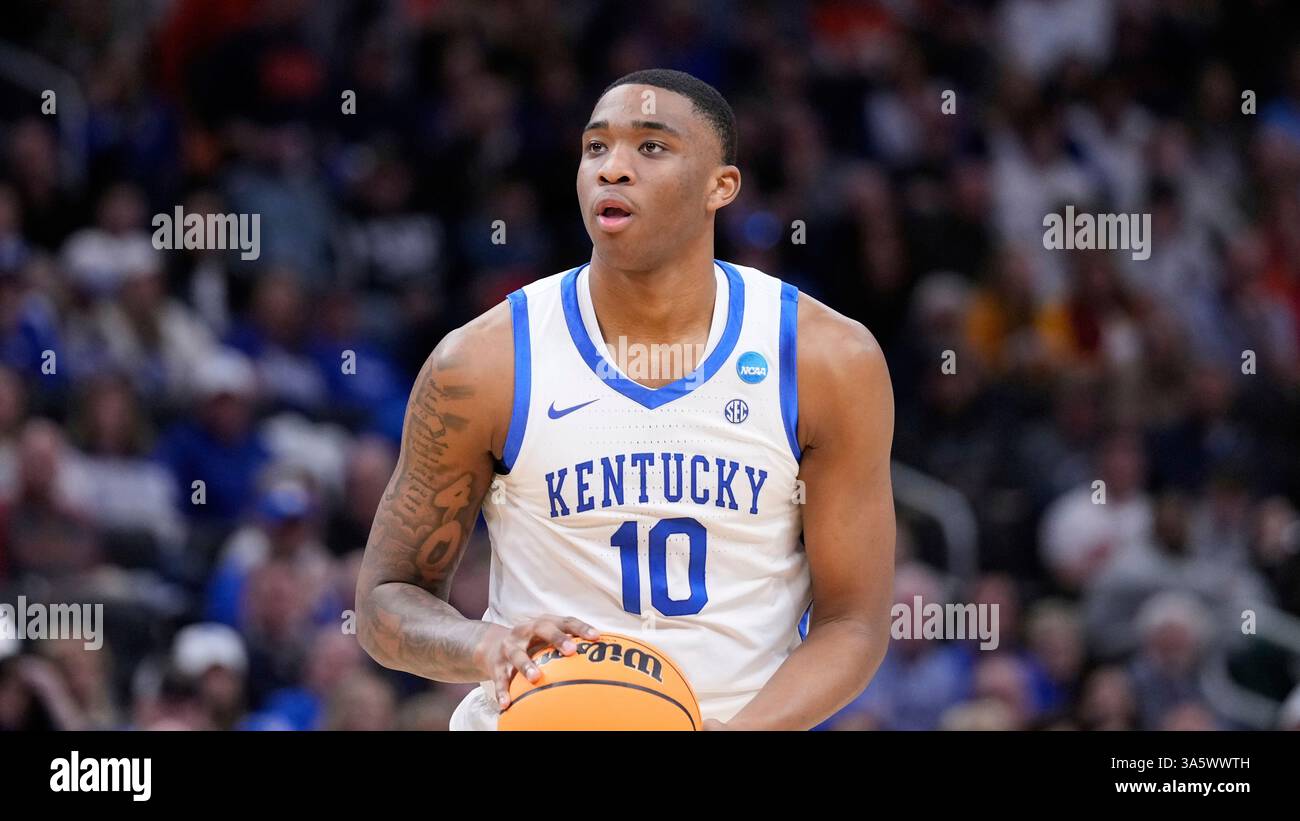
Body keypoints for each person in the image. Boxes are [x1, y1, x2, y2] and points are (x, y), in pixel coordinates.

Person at [355, 69, 896, 730]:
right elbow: (386, 600)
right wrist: (483, 643)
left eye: (651, 147)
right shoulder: (483, 363)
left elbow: (854, 622)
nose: (613, 168)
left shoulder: (826, 360)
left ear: (719, 187)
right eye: (596, 148)